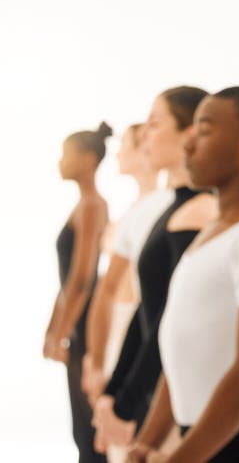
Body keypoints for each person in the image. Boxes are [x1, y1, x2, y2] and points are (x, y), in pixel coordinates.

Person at [125, 86, 239, 462]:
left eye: (204, 131)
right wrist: (148, 441)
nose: (188, 146)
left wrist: (183, 457)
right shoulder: (208, 236)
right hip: (200, 438)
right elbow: (178, 353)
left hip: (236, 440)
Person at [93, 86, 215, 450]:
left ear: (188, 132)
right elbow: (147, 310)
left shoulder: (199, 210)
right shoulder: (171, 209)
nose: (144, 134)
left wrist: (126, 403)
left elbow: (170, 319)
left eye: (155, 124)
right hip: (156, 392)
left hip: (176, 400)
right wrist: (115, 393)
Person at [82, 123, 173, 462]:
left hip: (132, 323)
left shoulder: (158, 208)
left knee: (129, 418)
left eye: (128, 145)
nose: (118, 153)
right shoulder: (137, 208)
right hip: (120, 324)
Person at [46, 121, 113, 462]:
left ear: (87, 159)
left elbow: (82, 277)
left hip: (87, 322)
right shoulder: (84, 205)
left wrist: (59, 330)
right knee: (82, 424)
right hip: (80, 320)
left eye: (65, 155)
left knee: (88, 426)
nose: (60, 162)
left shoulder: (92, 206)